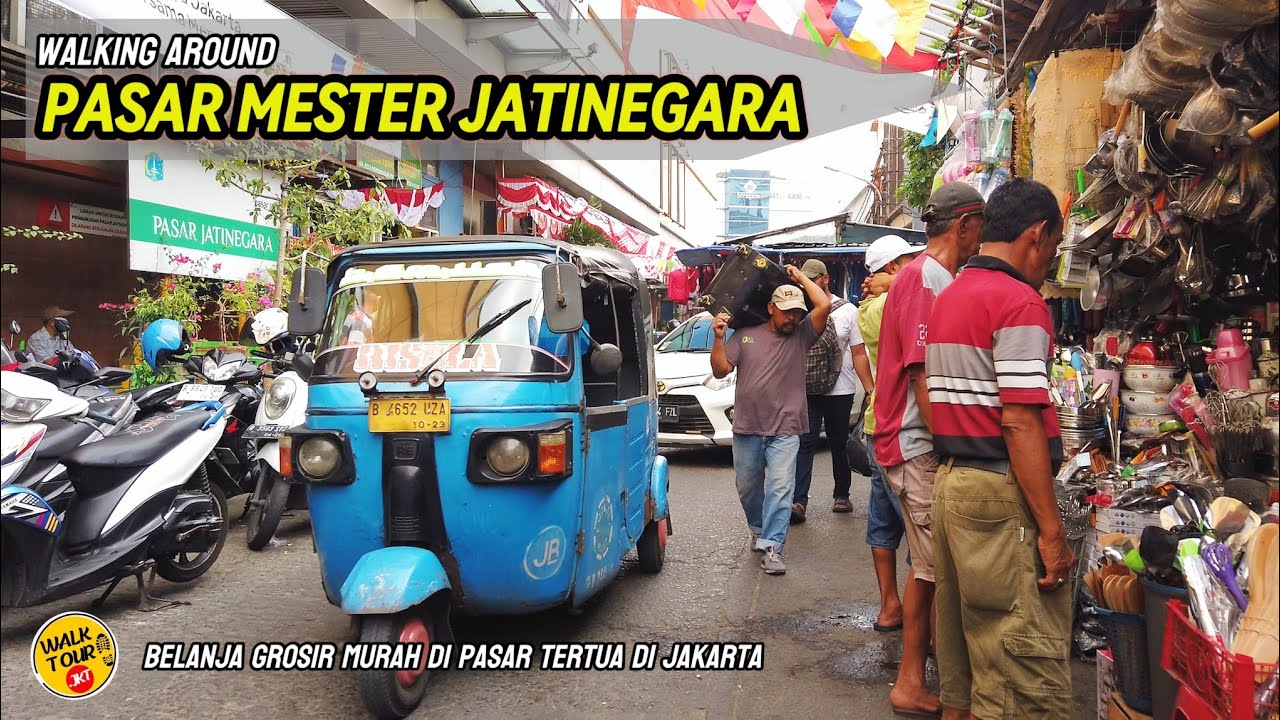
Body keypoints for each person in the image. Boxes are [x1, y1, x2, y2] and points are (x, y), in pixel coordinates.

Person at [928, 179, 1074, 720]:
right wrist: (1052, 533)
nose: (1050, 262)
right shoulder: (1019, 302)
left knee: (965, 658)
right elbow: (1019, 423)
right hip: (995, 491)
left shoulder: (951, 295)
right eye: (1054, 249)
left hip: (953, 485)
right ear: (1036, 235)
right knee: (1018, 666)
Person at [872, 182, 985, 717]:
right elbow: (922, 373)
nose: (981, 238)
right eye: (979, 226)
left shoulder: (936, 276)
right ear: (963, 225)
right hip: (916, 442)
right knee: (930, 567)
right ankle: (909, 680)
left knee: (930, 564)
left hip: (920, 440)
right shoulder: (923, 277)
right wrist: (954, 446)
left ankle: (925, 667)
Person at [711, 265, 832, 576]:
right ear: (770, 309)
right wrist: (719, 338)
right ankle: (758, 527)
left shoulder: (803, 335)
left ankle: (772, 546)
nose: (792, 318)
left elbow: (825, 305)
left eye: (796, 312)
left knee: (780, 488)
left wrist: (801, 279)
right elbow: (721, 370)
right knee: (748, 488)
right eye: (786, 312)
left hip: (786, 427)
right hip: (748, 425)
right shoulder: (745, 335)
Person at [851, 235, 923, 633]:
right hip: (902, 428)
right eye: (911, 260)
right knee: (919, 533)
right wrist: (900, 282)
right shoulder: (893, 301)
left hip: (877, 425)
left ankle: (889, 606)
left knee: (882, 524)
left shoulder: (869, 306)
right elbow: (936, 285)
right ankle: (920, 624)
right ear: (896, 266)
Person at [792, 258, 862, 522]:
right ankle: (799, 501)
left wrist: (869, 388)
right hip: (807, 387)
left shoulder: (848, 310)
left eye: (812, 278)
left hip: (840, 388)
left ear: (824, 279)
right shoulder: (797, 309)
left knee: (838, 442)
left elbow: (858, 352)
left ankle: (841, 494)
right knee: (805, 443)